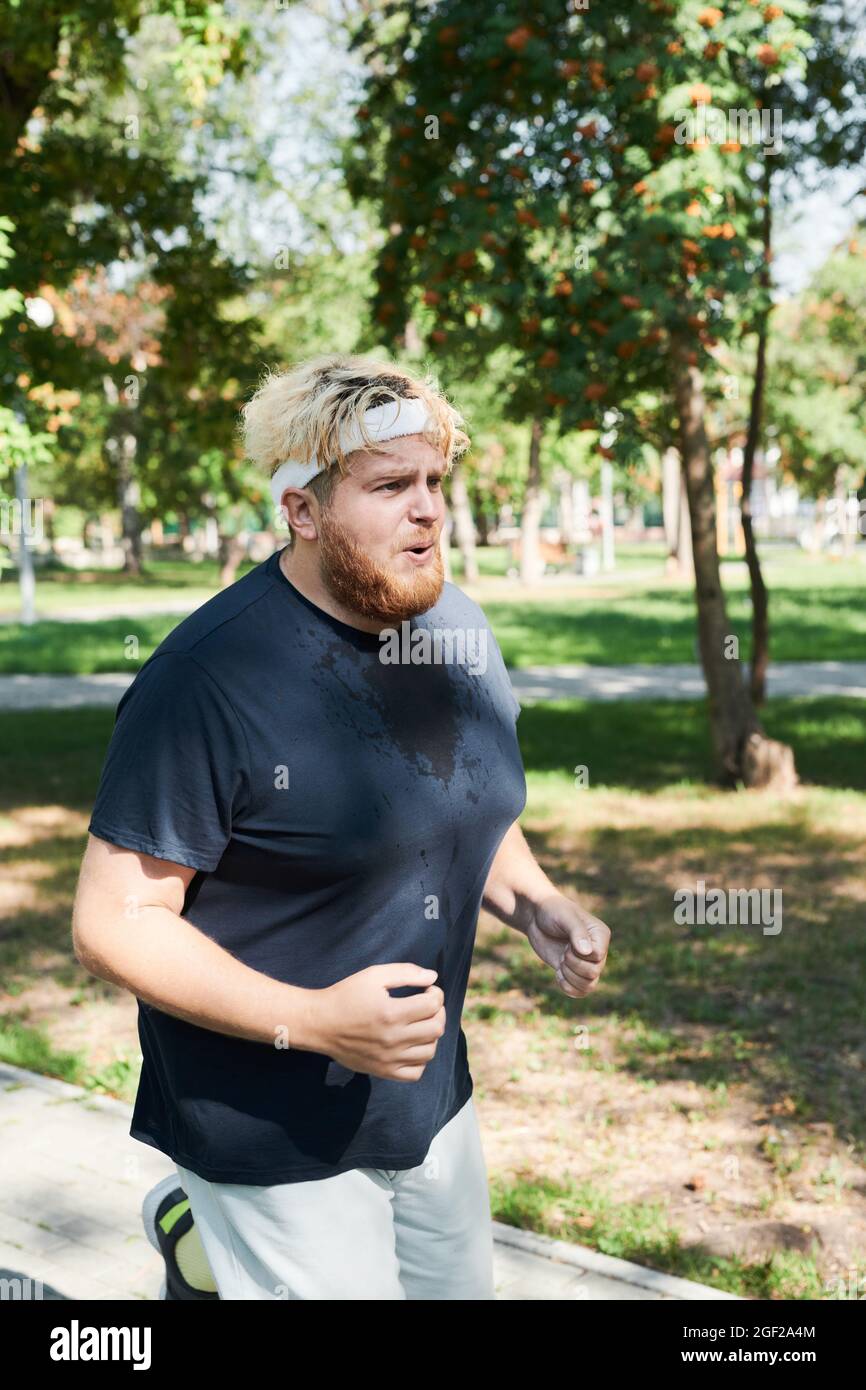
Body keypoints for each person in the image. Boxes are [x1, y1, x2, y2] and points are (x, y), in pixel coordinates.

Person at [72, 353, 611, 1300]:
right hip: (265, 1130)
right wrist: (315, 1022)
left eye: (435, 481)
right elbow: (114, 923)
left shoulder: (456, 633)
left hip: (429, 1102)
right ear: (304, 511)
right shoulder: (206, 678)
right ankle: (206, 1237)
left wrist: (535, 902)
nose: (429, 509)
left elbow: (463, 805)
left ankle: (200, 1254)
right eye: (391, 485)